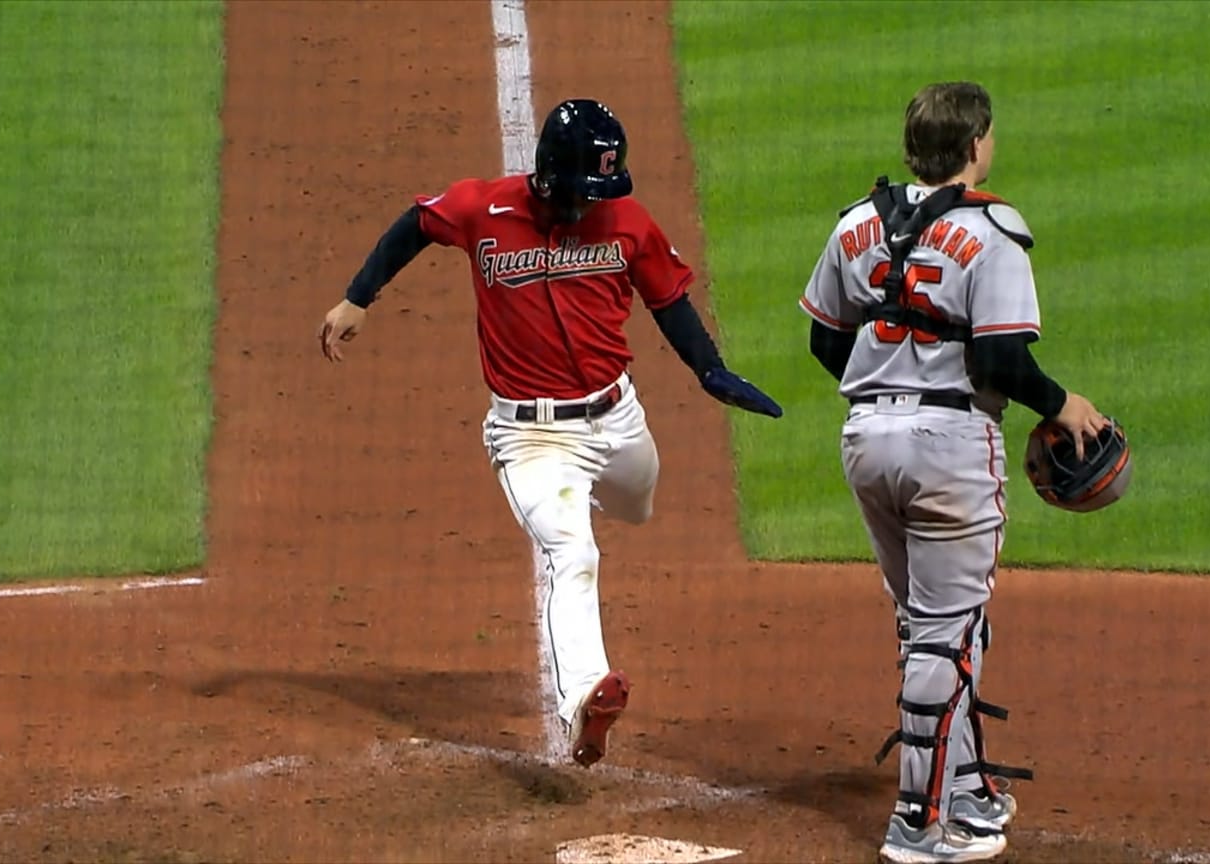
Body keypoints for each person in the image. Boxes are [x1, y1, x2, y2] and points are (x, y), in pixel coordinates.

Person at [319, 98, 782, 769]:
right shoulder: (486, 209)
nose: (588, 204)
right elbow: (416, 224)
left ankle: (581, 495)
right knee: (574, 553)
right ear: (547, 174)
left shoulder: (624, 219)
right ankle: (585, 700)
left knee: (637, 506)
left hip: (618, 420)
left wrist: (710, 369)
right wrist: (359, 296)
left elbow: (668, 300)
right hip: (531, 437)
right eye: (579, 190)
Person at [799, 81, 1111, 862]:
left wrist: (888, 373)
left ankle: (966, 788)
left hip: (866, 438)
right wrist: (1063, 404)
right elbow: (1002, 357)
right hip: (950, 444)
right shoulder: (992, 231)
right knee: (947, 630)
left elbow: (825, 342)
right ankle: (918, 821)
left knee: (931, 622)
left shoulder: (856, 222)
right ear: (975, 146)